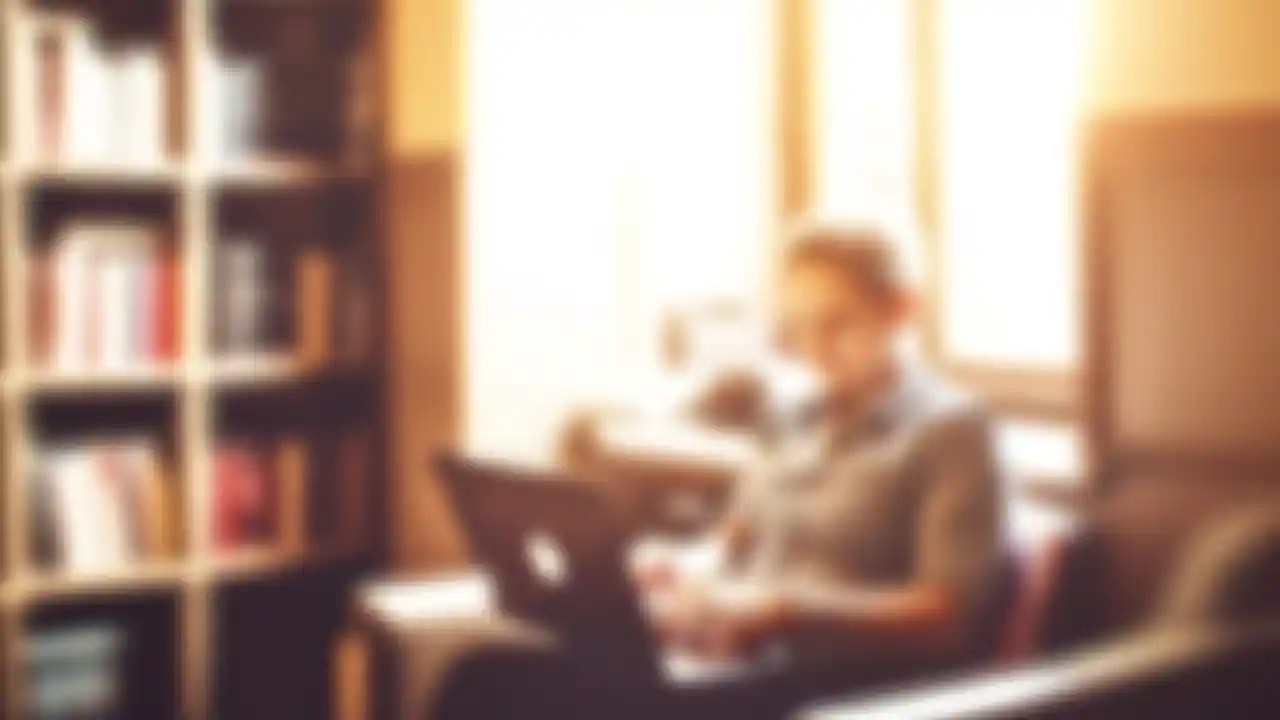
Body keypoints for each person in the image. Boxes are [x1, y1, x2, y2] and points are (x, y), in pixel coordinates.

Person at [642, 221, 1005, 712]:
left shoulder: (953, 430)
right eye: (799, 327)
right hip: (741, 664)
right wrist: (680, 565)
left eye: (836, 323)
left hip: (846, 692)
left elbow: (948, 618)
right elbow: (736, 537)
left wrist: (783, 613)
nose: (814, 348)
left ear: (900, 308)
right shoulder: (788, 417)